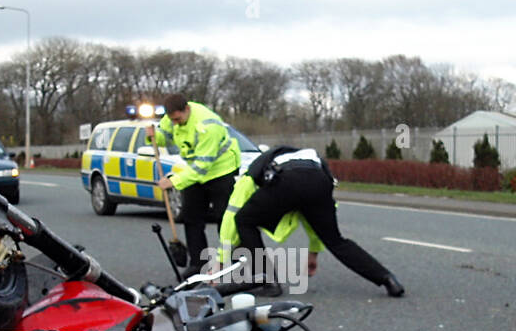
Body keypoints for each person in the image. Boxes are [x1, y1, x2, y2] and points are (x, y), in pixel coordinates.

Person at [219, 145, 404, 296]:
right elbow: (313, 218)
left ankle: (269, 282)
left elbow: (232, 211)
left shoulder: (258, 165)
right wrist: (314, 252)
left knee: (244, 220)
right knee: (336, 241)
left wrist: (220, 259)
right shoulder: (313, 157)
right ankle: (388, 279)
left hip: (287, 181)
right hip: (319, 182)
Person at [155, 93, 241, 276]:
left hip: (221, 170)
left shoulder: (208, 126)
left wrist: (173, 181)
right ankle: (198, 263)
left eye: (178, 119)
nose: (175, 123)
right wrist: (152, 136)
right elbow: (163, 135)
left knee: (224, 218)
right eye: (172, 120)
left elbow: (202, 167)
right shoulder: (171, 117)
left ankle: (236, 263)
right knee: (191, 216)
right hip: (194, 171)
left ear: (187, 109)